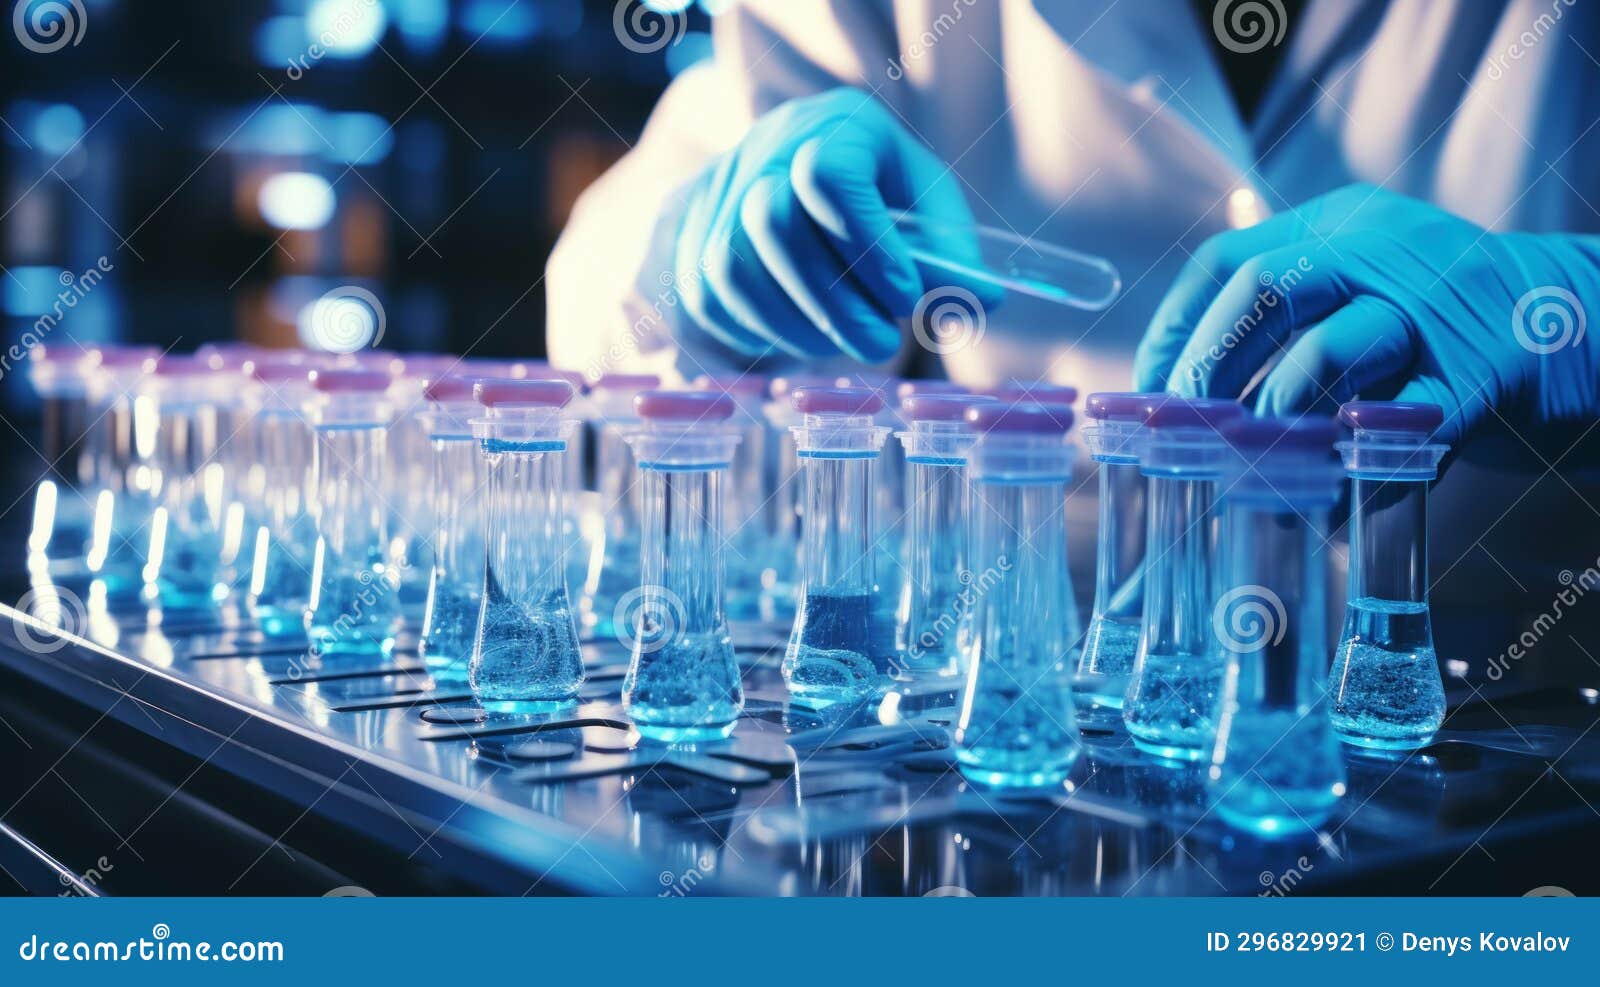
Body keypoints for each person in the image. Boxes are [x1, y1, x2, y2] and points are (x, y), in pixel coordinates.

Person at [547, 0, 1600, 676]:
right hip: (1043, 698)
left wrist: (1572, 313)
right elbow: (600, 335)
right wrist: (689, 263)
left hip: (1530, 706)